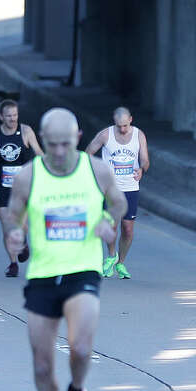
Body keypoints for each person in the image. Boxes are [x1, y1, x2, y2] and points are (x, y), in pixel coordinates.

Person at [1, 108, 126, 391]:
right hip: (42, 274)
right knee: (42, 365)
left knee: (81, 349)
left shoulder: (96, 170)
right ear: (42, 140)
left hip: (82, 269)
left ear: (78, 138)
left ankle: (76, 390)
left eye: (65, 144)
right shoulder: (29, 175)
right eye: (52, 144)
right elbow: (13, 214)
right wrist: (14, 233)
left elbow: (119, 202)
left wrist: (107, 220)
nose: (58, 152)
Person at [85, 107, 150, 280]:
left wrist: (142, 169)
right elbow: (87, 154)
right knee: (111, 226)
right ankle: (111, 255)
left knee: (127, 229)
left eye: (125, 125)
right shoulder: (105, 135)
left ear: (131, 119)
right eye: (119, 126)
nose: (122, 129)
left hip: (130, 188)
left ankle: (121, 262)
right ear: (114, 121)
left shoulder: (138, 135)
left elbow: (145, 159)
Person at [0, 99, 43, 277]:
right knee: (7, 226)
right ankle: (13, 263)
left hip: (23, 187)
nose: (13, 119)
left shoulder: (26, 131)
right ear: (1, 117)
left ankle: (23, 242)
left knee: (21, 225)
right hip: (2, 186)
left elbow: (39, 154)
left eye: (15, 115)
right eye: (8, 116)